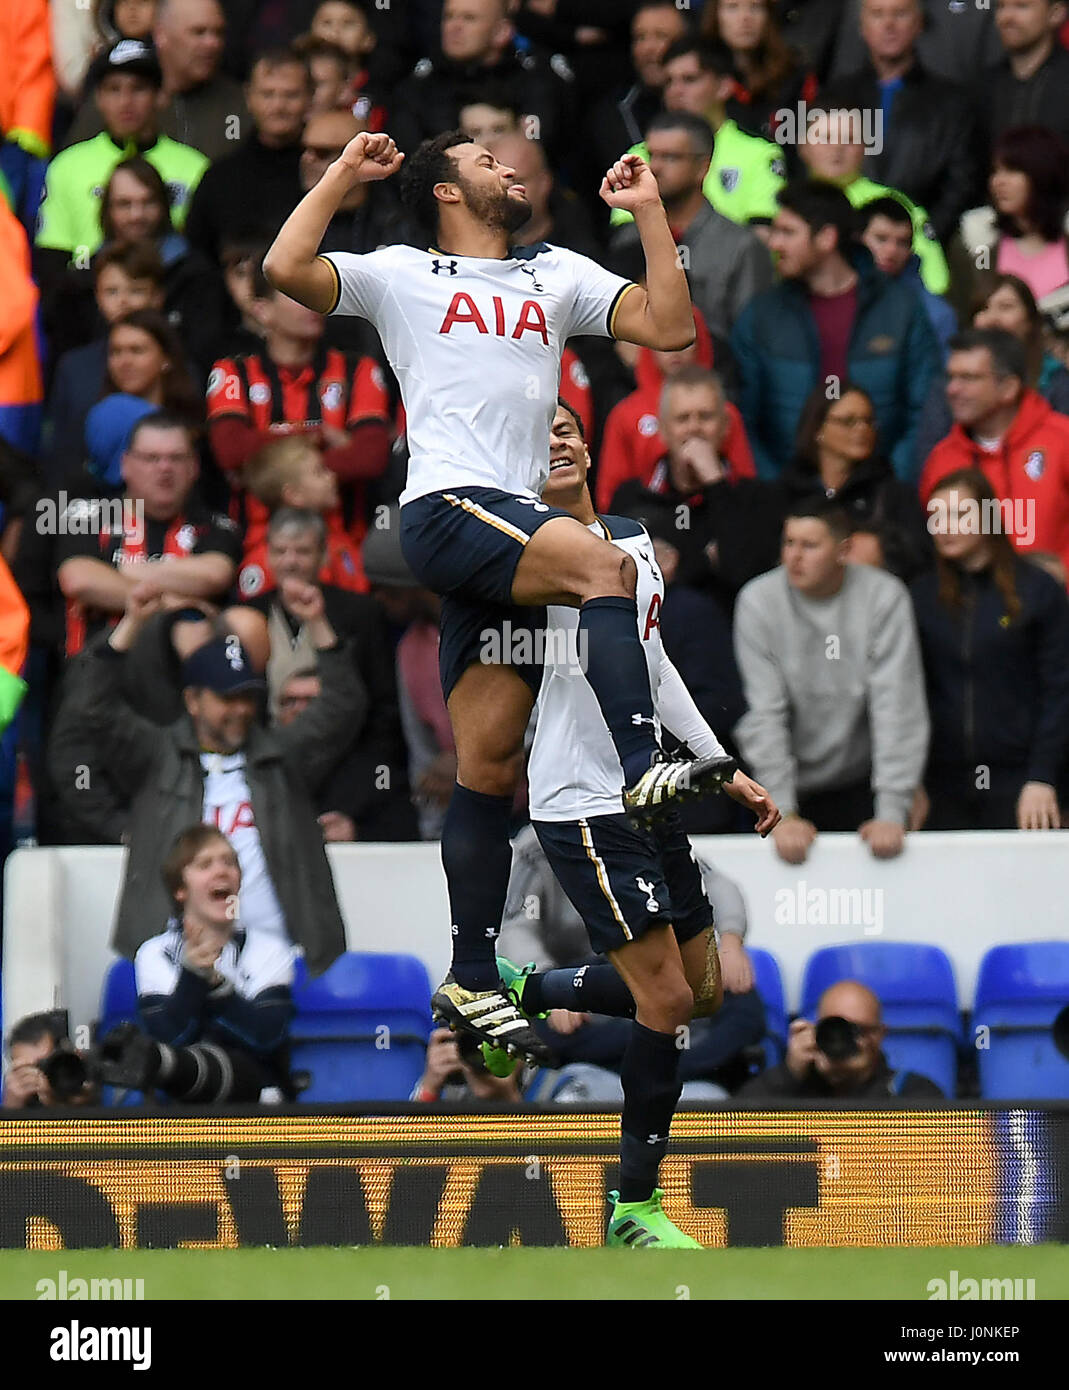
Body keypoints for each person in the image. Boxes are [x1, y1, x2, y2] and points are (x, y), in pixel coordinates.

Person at [264, 129, 742, 1058]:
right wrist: (340, 176)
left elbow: (670, 327)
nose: (507, 164)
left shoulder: (553, 274)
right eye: (483, 159)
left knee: (486, 768)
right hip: (448, 508)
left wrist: (648, 214)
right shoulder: (403, 272)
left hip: (512, 532)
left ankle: (472, 972)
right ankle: (642, 761)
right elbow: (287, 266)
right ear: (443, 190)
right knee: (606, 566)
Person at [494, 398, 776, 1246]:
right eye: (537, 435)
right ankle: (634, 1206)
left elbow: (655, 666)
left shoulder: (631, 542)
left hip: (652, 789)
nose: (558, 442)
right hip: (580, 800)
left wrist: (719, 765)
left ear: (590, 446)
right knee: (661, 1000)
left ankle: (518, 990)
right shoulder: (515, 558)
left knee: (696, 991)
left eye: (568, 430)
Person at [78, 575, 364, 974]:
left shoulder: (279, 756)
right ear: (192, 700)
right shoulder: (156, 755)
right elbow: (94, 707)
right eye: (226, 698)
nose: (241, 709)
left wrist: (316, 621)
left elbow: (342, 706)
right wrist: (130, 624)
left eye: (247, 696)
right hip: (176, 959)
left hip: (280, 957)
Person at [733, 499, 929, 865]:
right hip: (784, 783)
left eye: (810, 545)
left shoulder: (884, 597)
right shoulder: (758, 601)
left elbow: (897, 707)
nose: (794, 556)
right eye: (789, 543)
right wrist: (783, 813)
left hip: (862, 781)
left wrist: (892, 809)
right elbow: (763, 715)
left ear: (844, 550)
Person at [731, 180, 939, 481]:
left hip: (879, 496)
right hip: (789, 497)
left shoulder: (900, 309)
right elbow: (742, 417)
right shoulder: (761, 315)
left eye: (788, 233)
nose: (775, 244)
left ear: (827, 238)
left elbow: (924, 409)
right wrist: (776, 492)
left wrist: (891, 484)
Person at [912, 468, 1069, 832]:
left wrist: (1044, 777)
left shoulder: (1038, 590)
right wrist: (911, 782)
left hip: (1022, 781)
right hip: (943, 783)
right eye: (935, 517)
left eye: (958, 515)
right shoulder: (921, 596)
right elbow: (907, 693)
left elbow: (1059, 690)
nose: (945, 527)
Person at [106, 824, 297, 1102]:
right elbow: (170, 1040)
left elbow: (266, 1038)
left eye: (229, 862)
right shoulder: (154, 953)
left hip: (260, 1107)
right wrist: (193, 976)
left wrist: (216, 985)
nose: (222, 871)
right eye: (205, 864)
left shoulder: (271, 950)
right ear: (180, 889)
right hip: (179, 1110)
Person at [206, 264, 392, 550]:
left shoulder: (359, 370)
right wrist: (318, 436)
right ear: (262, 311)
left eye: (315, 293)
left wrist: (266, 455)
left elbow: (370, 457)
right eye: (297, 295)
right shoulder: (233, 372)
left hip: (345, 547)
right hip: (256, 547)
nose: (313, 304)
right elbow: (231, 450)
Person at [55, 410, 239, 657]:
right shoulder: (86, 513)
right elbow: (79, 579)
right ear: (125, 465)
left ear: (194, 467)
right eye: (151, 458)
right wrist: (176, 604)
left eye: (176, 458)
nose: (165, 468)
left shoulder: (215, 523)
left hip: (178, 678)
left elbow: (214, 574)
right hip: (95, 670)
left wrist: (115, 571)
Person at [35, 38, 209, 270]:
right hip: (86, 296)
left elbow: (204, 261)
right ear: (98, 98)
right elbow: (52, 260)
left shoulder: (195, 167)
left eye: (138, 88)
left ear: (160, 95)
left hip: (174, 295)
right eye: (114, 89)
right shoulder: (67, 167)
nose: (126, 102)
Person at [609, 365, 772, 609]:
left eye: (705, 417)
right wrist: (706, 562)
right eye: (682, 418)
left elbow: (744, 577)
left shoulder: (757, 498)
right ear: (663, 430)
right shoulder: (630, 497)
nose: (694, 427)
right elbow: (619, 580)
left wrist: (716, 483)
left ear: (726, 426)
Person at [608, 112, 775, 349]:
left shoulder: (742, 247)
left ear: (703, 167)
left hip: (717, 380)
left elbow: (753, 342)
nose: (654, 167)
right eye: (651, 155)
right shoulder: (628, 239)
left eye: (671, 157)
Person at [820, 0, 977, 241]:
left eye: (900, 14)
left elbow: (961, 185)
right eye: (877, 14)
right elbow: (813, 172)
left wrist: (917, 236)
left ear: (919, 24)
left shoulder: (953, 104)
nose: (889, 25)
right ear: (862, 27)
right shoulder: (833, 95)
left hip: (919, 244)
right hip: (843, 242)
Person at [919, 329, 1069, 574]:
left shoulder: (1062, 439)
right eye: (951, 377)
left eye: (969, 378)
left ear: (1008, 387)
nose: (952, 389)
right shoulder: (942, 460)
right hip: (976, 607)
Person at [609, 37, 787, 233]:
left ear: (724, 87)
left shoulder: (760, 154)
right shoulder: (640, 156)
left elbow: (762, 242)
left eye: (690, 79)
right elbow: (625, 241)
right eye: (669, 82)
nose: (675, 91)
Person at [594, 311, 755, 514]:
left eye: (685, 341)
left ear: (701, 343)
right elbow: (609, 495)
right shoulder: (624, 413)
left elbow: (745, 484)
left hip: (716, 513)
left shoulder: (726, 412)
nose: (674, 350)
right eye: (663, 338)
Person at [772, 382, 932, 582]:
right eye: (848, 421)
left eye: (868, 421)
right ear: (817, 429)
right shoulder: (787, 491)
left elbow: (923, 558)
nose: (862, 429)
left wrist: (882, 549)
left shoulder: (894, 494)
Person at [388, 0, 575, 169]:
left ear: (502, 32)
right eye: (449, 17)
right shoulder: (420, 84)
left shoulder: (535, 77)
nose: (454, 27)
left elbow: (543, 147)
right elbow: (410, 161)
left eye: (469, 18)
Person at [914, 273, 1069, 471]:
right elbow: (930, 458)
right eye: (983, 308)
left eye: (1006, 307)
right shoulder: (948, 384)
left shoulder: (1058, 381)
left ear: (1030, 320)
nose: (993, 318)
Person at [41, 244, 166, 482]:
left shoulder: (181, 363)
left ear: (158, 296)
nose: (124, 302)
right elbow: (60, 452)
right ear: (97, 296)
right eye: (112, 291)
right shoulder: (74, 367)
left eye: (136, 290)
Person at [794, 106, 948, 296]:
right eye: (826, 138)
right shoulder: (783, 203)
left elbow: (935, 282)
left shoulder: (898, 204)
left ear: (865, 147)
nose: (837, 147)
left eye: (849, 139)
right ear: (803, 146)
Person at [185, 47, 312, 265]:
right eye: (267, 94)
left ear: (310, 97)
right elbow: (198, 259)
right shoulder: (220, 178)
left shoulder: (329, 171)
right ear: (248, 96)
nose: (278, 106)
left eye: (291, 95)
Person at [737, 980, 945, 1098]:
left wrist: (859, 1084)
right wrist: (789, 1072)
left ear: (880, 1034)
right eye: (836, 1027)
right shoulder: (791, 1089)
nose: (844, 1038)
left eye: (860, 1030)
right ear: (817, 1030)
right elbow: (736, 1128)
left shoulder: (911, 1090)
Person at [951, 127, 1069, 321]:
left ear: (1043, 174)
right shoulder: (980, 246)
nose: (998, 181)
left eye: (1012, 170)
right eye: (995, 171)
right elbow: (962, 316)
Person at [580, 1, 689, 207]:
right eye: (640, 38)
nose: (648, 48)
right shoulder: (608, 116)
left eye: (661, 36)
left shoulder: (709, 109)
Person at [238, 442, 368, 597]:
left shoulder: (337, 540)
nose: (332, 476)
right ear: (294, 495)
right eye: (319, 472)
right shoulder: (269, 562)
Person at [700, 0, 817, 143]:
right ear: (715, 15)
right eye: (732, 7)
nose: (745, 17)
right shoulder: (699, 75)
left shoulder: (793, 75)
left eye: (756, 7)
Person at [859, 196, 957, 358]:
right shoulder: (823, 295)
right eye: (881, 239)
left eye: (902, 243)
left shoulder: (933, 313)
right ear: (857, 238)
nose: (891, 251)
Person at [978, 0, 1069, 157]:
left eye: (1022, 6)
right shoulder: (983, 87)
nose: (1006, 17)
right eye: (1000, 6)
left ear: (1056, 13)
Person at [1, 1013, 98, 1109]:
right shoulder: (24, 1101)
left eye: (47, 1064)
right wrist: (11, 1109)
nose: (41, 1078)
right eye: (30, 1069)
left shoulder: (91, 1082)